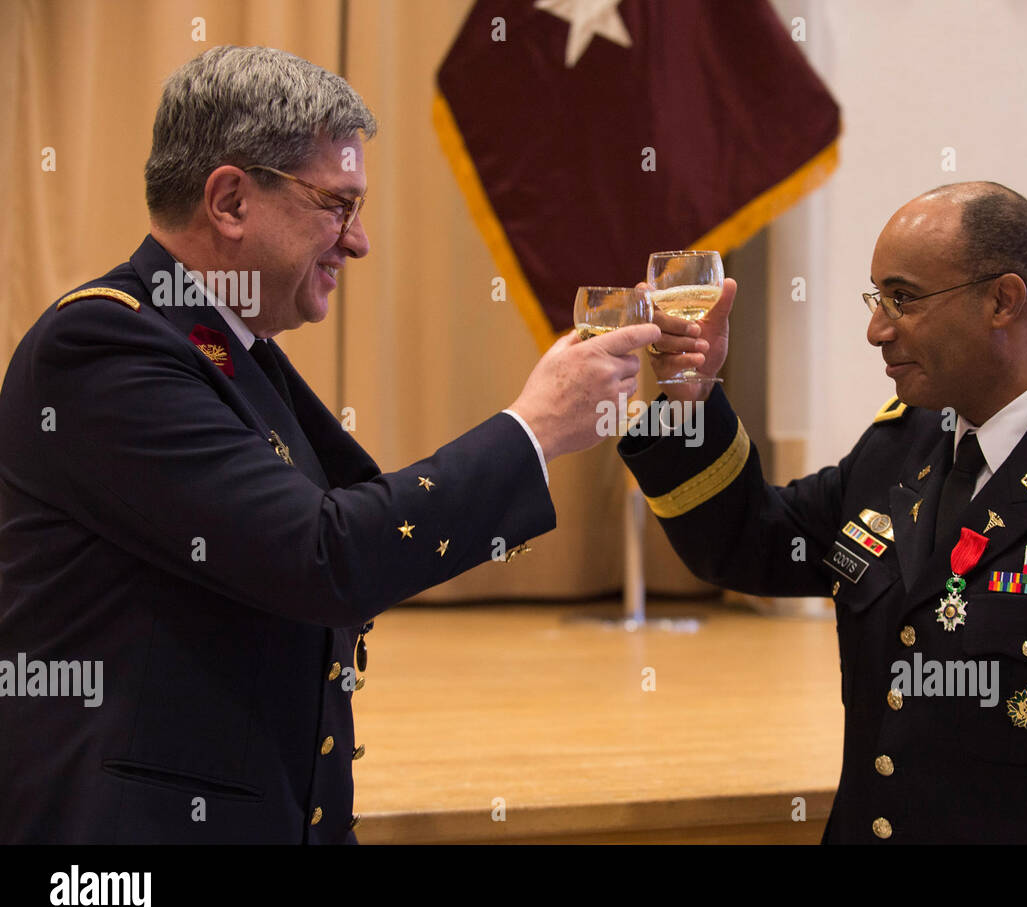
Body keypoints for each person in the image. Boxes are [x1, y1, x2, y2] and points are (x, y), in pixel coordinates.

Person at [0, 45, 658, 844]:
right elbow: (326, 556)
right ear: (232, 200)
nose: (359, 241)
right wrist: (535, 427)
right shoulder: (104, 347)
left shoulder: (218, 342)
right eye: (336, 205)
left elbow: (358, 519)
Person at [621, 181, 1027, 843]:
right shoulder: (899, 448)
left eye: (903, 298)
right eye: (877, 299)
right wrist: (692, 405)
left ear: (1002, 300)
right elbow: (750, 542)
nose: (876, 329)